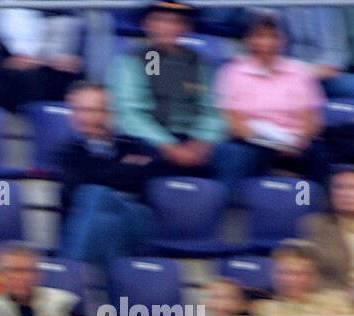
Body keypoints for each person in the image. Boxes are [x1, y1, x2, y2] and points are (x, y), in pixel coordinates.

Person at [109, 2, 226, 181]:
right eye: (161, 20)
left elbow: (211, 109)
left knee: (229, 155)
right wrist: (170, 147)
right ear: (147, 24)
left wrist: (202, 141)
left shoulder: (198, 62)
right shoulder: (144, 59)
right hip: (151, 140)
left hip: (191, 139)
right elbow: (131, 113)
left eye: (175, 21)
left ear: (186, 27)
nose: (168, 28)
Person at [216, 12, 328, 190]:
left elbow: (313, 119)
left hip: (297, 141)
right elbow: (234, 123)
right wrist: (273, 142)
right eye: (260, 36)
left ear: (283, 41)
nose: (266, 43)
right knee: (232, 154)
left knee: (322, 154)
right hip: (253, 141)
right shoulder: (233, 72)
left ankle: (321, 211)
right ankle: (230, 208)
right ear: (248, 40)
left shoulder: (299, 72)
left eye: (273, 36)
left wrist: (299, 140)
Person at [57, 81, 158, 270]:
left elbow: (149, 170)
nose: (84, 117)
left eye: (92, 110)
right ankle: (116, 286)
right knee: (98, 203)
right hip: (98, 224)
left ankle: (70, 272)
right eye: (78, 110)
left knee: (95, 195)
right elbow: (71, 191)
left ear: (110, 113)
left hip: (134, 223)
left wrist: (97, 172)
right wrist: (120, 169)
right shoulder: (68, 152)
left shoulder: (135, 145)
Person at [0, 242, 82, 316]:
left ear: (39, 275)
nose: (23, 277)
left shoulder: (63, 303)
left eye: (30, 271)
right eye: (14, 271)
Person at [252, 239, 354, 315]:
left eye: (298, 273)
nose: (289, 279)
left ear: (314, 276)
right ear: (272, 274)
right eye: (283, 272)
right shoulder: (263, 310)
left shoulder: (340, 302)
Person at [300, 165, 354, 291]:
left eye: (352, 188)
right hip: (330, 298)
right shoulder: (314, 225)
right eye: (339, 188)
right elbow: (307, 274)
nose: (346, 193)